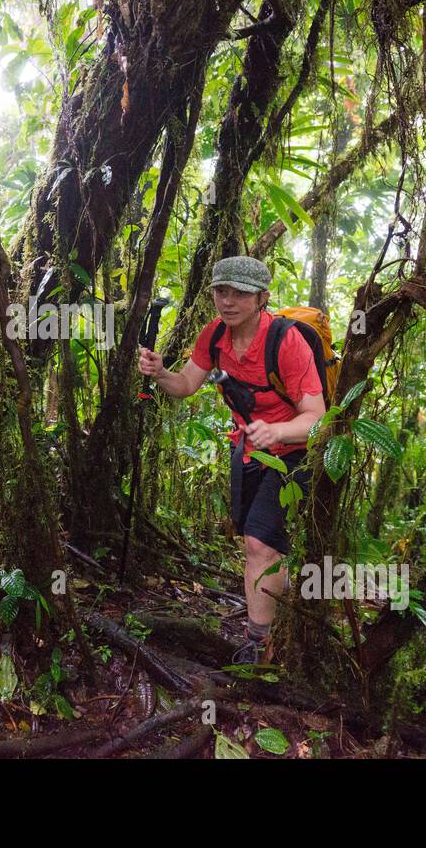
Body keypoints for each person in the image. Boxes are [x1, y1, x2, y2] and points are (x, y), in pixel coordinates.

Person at [138, 256, 327, 665]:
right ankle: (279, 618)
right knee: (256, 543)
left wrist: (277, 431)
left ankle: (260, 646)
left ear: (262, 297)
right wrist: (160, 373)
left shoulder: (286, 342)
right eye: (222, 291)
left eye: (240, 292)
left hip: (293, 454)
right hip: (248, 450)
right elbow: (187, 384)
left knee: (261, 543)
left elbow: (318, 419)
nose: (228, 301)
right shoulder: (214, 336)